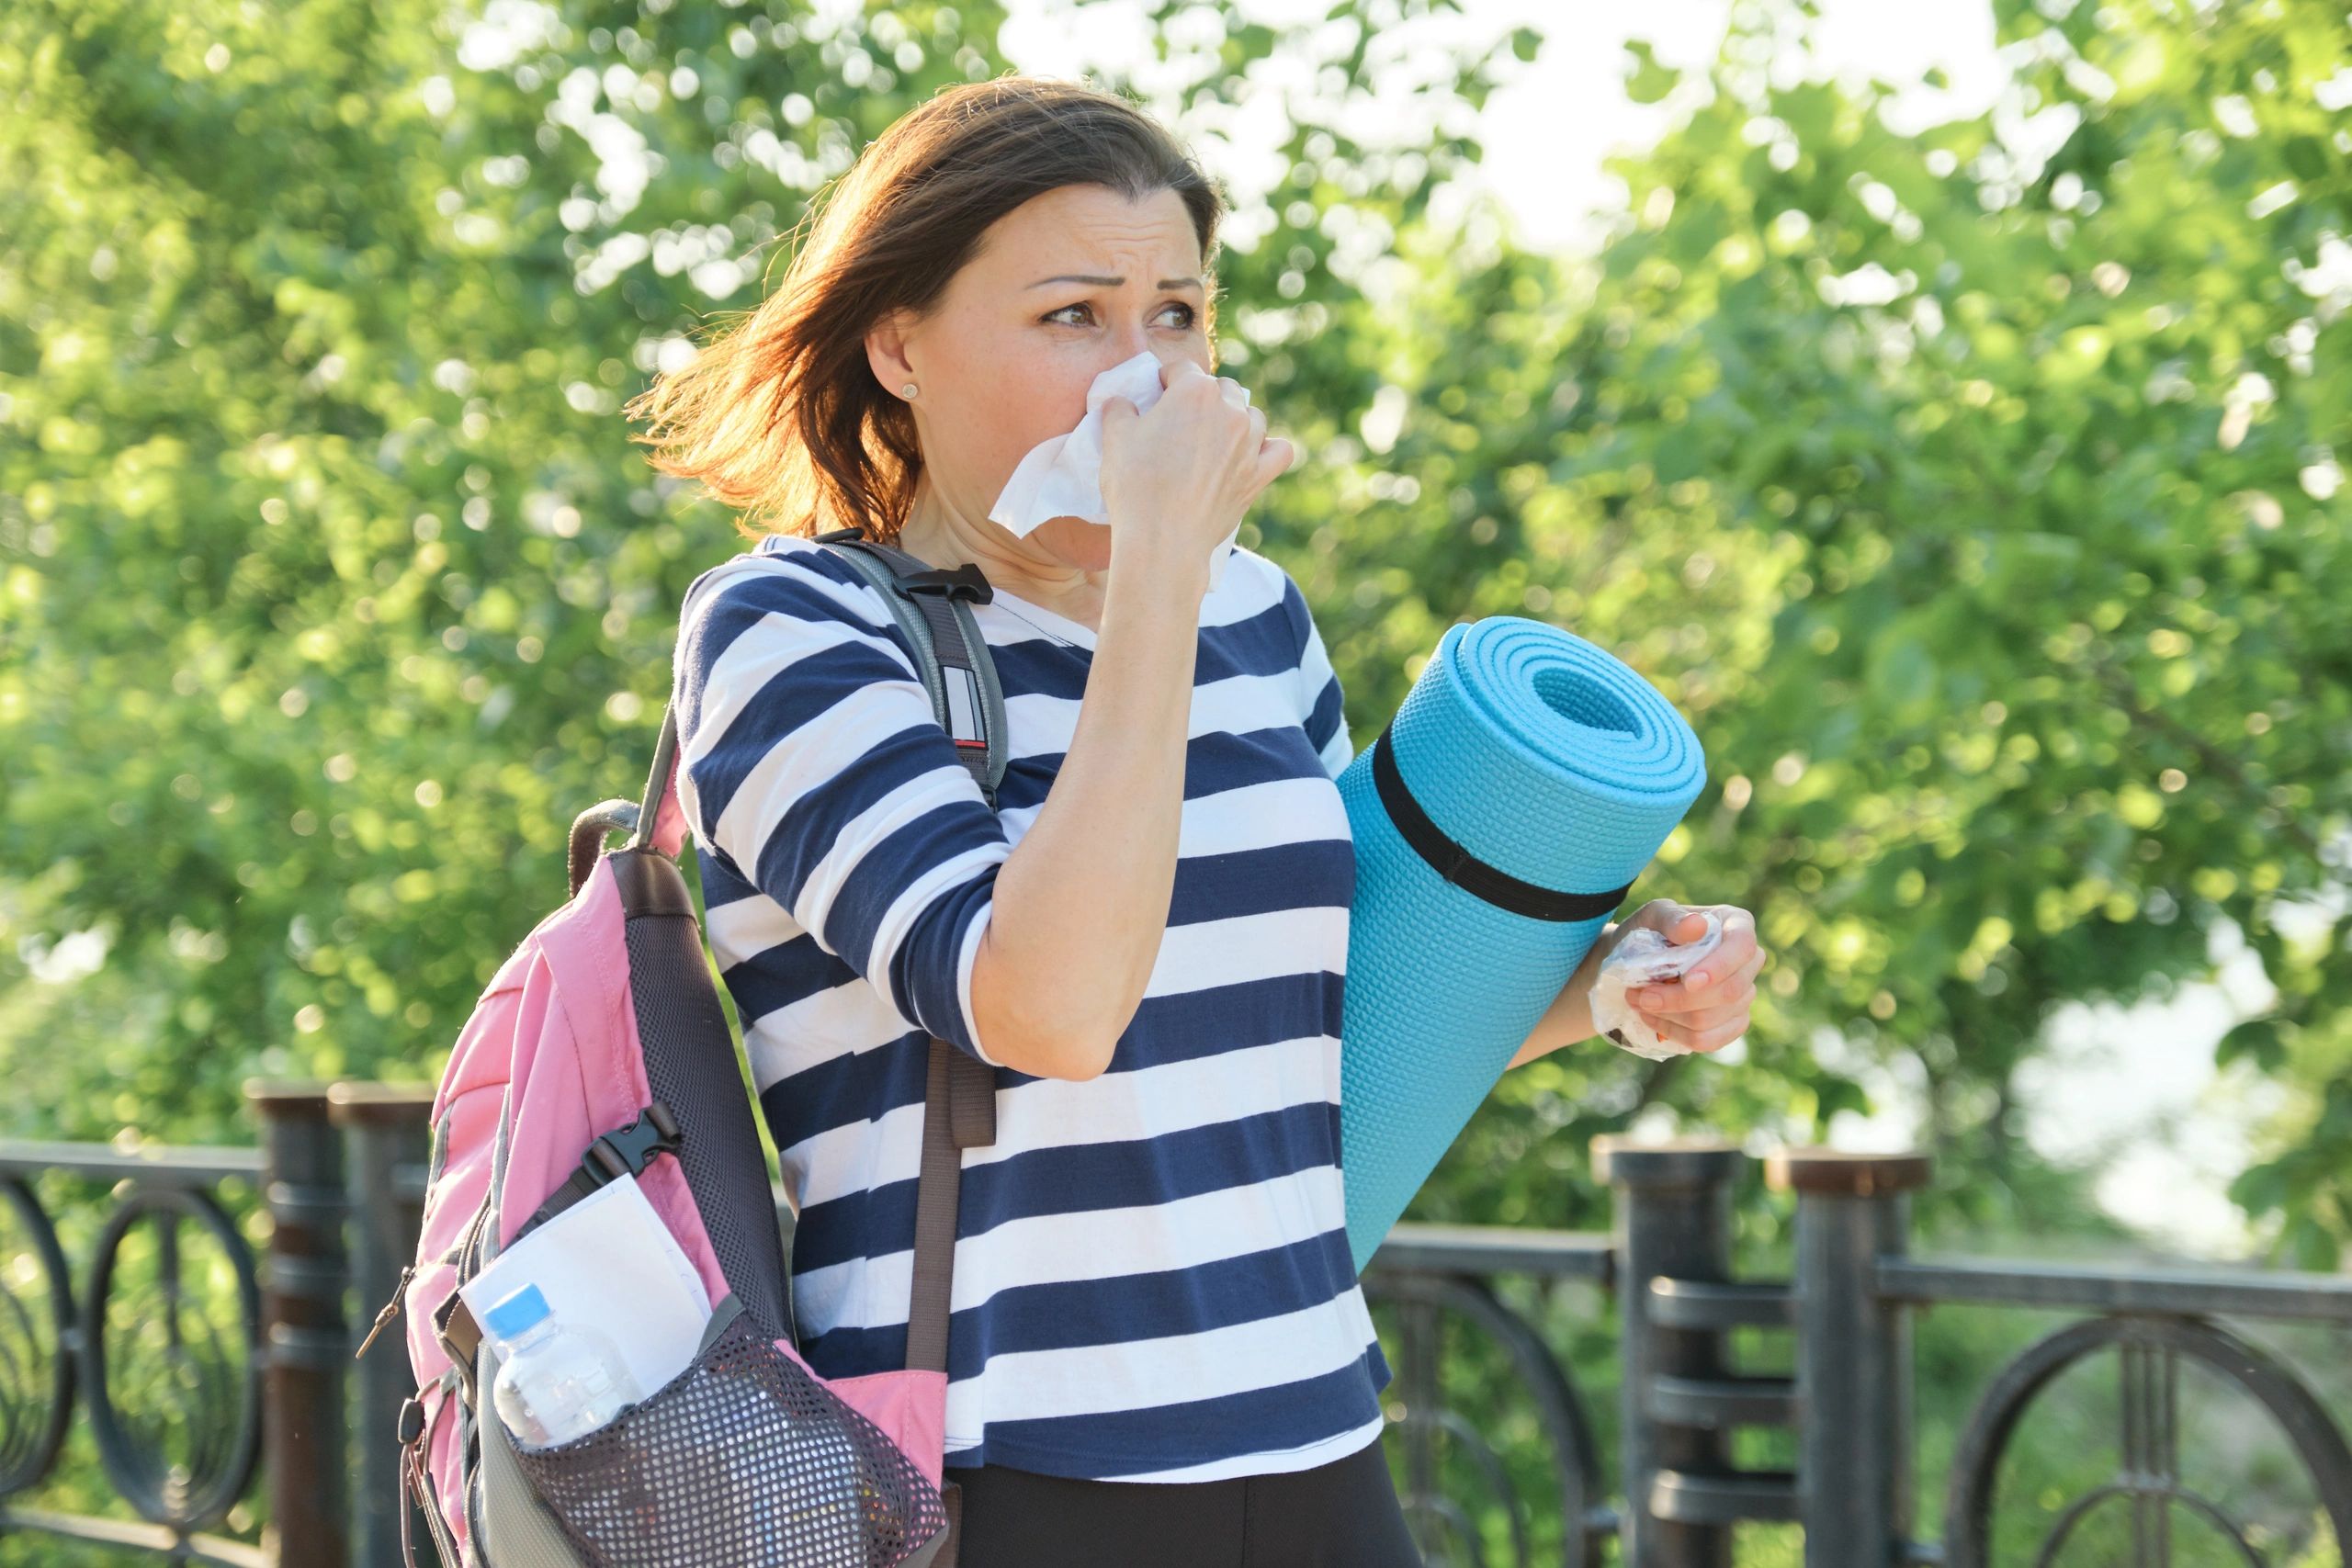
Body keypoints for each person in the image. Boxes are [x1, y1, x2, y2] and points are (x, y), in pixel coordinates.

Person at [626, 73, 1761, 1567]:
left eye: (1176, 315)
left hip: (1316, 1438)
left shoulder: (1252, 619)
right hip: (1006, 1477)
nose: (1143, 376)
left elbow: (1314, 1034)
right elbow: (1045, 1009)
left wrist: (1612, 989)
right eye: (1073, 317)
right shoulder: (797, 631)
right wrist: (1157, 566)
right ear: (900, 346)